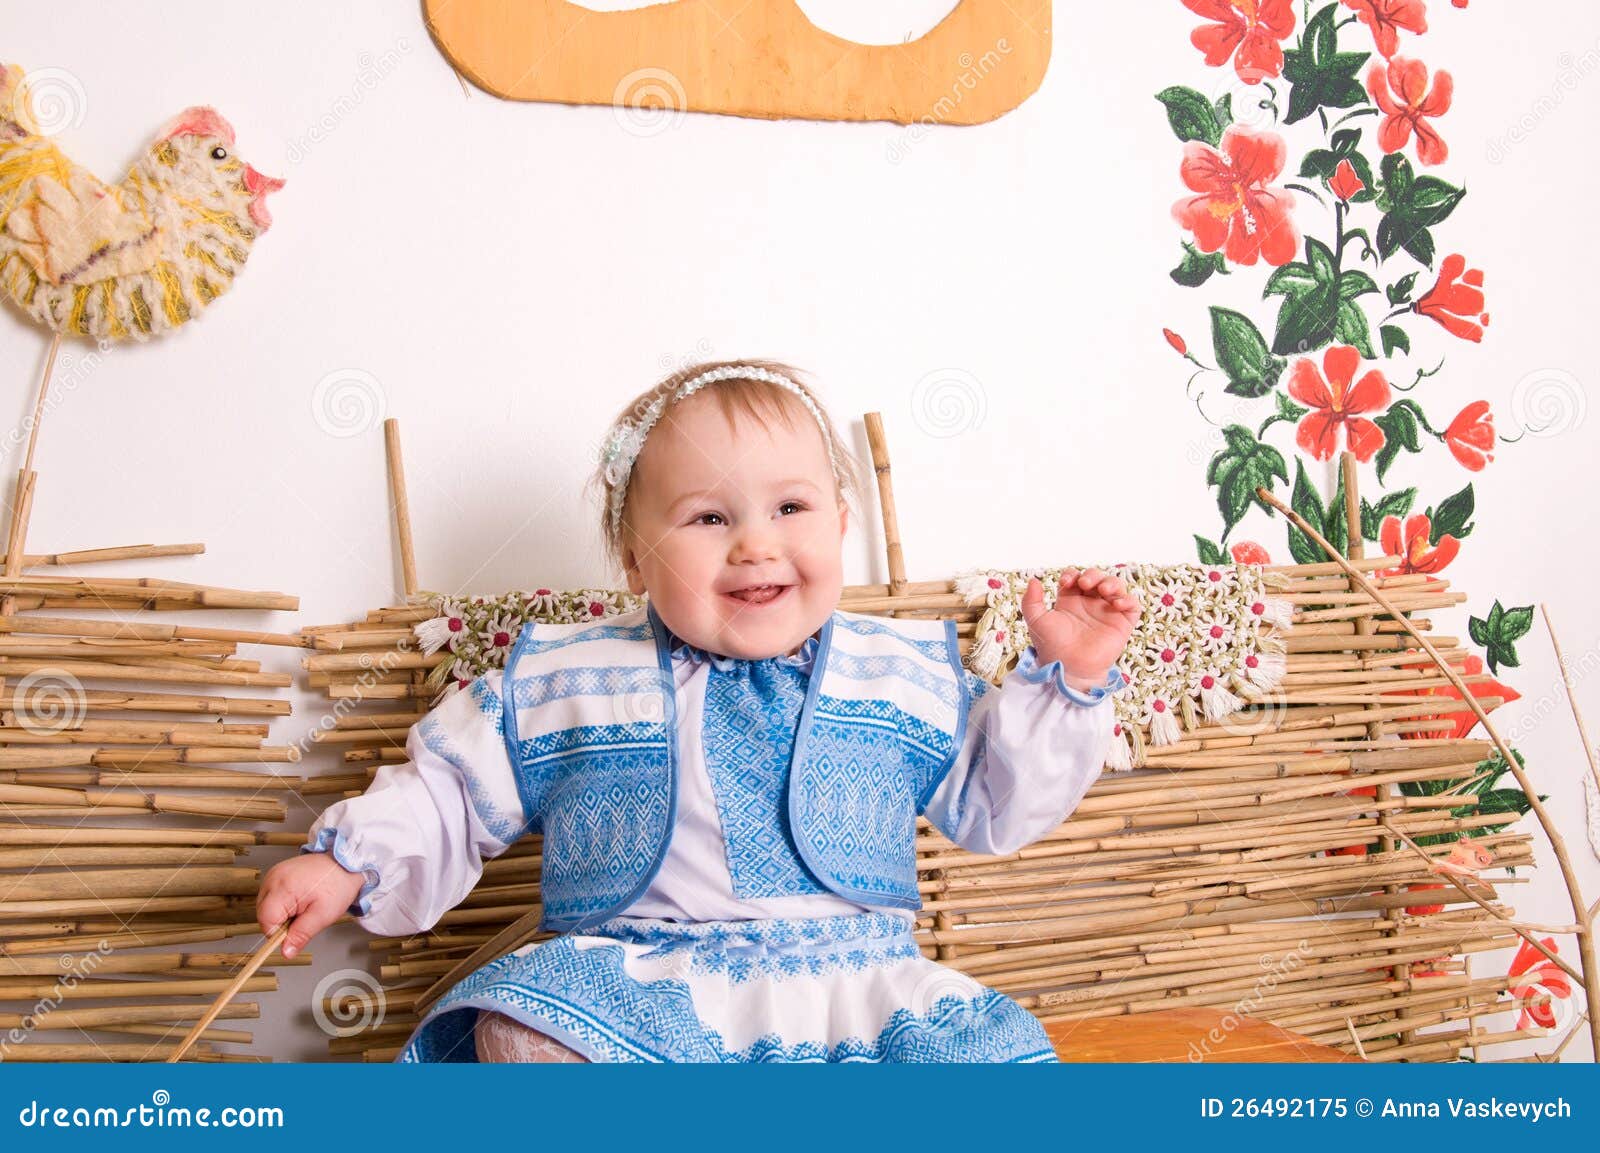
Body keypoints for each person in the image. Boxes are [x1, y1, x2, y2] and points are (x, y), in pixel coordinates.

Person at [257, 359, 1140, 1062]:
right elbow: (451, 788)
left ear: (839, 526)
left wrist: (1065, 681)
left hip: (856, 996)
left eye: (789, 506)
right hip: (641, 996)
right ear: (636, 562)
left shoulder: (897, 673)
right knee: (521, 1034)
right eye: (709, 517)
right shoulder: (574, 678)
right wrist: (348, 861)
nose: (756, 542)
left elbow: (996, 798)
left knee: (990, 1064)